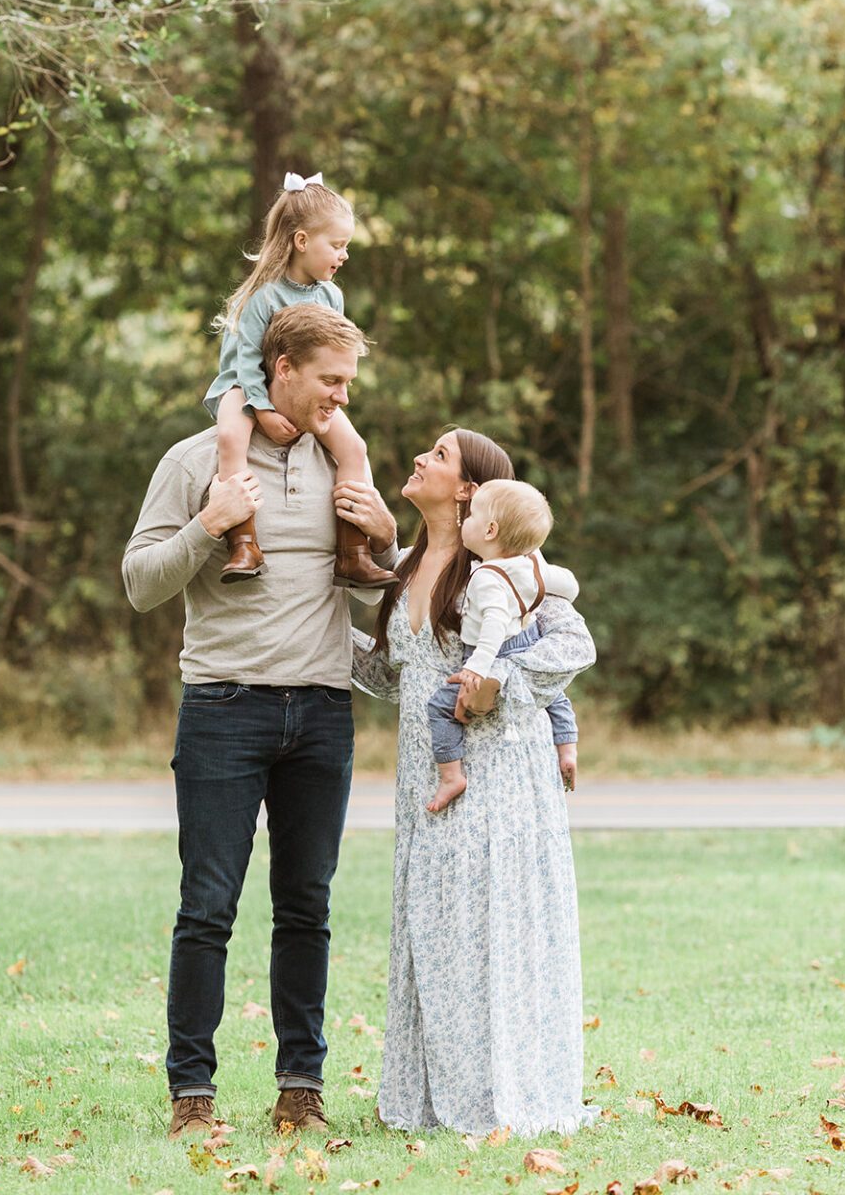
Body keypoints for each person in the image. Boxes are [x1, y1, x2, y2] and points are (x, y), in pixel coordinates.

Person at [122, 304, 399, 1143]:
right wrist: (210, 524)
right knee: (207, 907)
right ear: (279, 367)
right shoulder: (195, 460)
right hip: (223, 710)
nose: (342, 398)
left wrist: (389, 538)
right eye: (330, 381)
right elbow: (140, 583)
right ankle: (192, 1096)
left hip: (321, 710)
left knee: (306, 907)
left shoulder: (340, 461)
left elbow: (374, 594)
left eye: (349, 383)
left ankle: (300, 1088)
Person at [350, 429, 600, 1138]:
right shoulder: (404, 566)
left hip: (501, 772)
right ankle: (437, 1092)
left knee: (490, 926)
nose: (421, 458)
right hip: (422, 770)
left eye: (438, 453)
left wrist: (500, 684)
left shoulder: (509, 565)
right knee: (434, 928)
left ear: (468, 490)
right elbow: (390, 674)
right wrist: (304, 634)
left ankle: (504, 1091)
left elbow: (574, 646)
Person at [202, 170, 395, 590]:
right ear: (302, 241)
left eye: (346, 246)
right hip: (243, 384)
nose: (344, 255)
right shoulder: (264, 296)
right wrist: (263, 411)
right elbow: (247, 361)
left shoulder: (331, 296)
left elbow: (334, 352)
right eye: (338, 245)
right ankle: (244, 542)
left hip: (295, 392)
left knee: (355, 449)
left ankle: (353, 552)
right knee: (232, 440)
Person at [425, 477, 580, 813]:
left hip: (496, 651)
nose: (464, 521)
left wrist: (477, 666)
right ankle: (567, 748)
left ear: (490, 530)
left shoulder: (487, 578)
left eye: (471, 517)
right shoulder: (527, 565)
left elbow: (494, 622)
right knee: (554, 695)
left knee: (439, 707)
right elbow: (569, 586)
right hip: (528, 639)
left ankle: (452, 775)